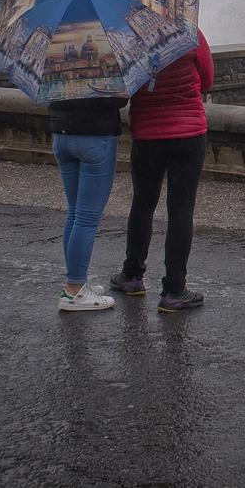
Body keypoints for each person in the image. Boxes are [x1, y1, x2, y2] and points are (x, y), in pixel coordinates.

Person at [109, 28, 213, 313]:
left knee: (143, 204)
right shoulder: (190, 32)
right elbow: (207, 78)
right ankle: (174, 290)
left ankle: (132, 276)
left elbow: (124, 89)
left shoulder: (130, 37)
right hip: (189, 133)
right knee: (181, 210)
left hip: (148, 134)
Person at [50, 95, 127, 312]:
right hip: (95, 136)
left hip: (61, 135)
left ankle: (76, 283)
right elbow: (119, 99)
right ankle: (74, 290)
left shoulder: (57, 59)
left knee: (74, 213)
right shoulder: (102, 61)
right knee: (86, 218)